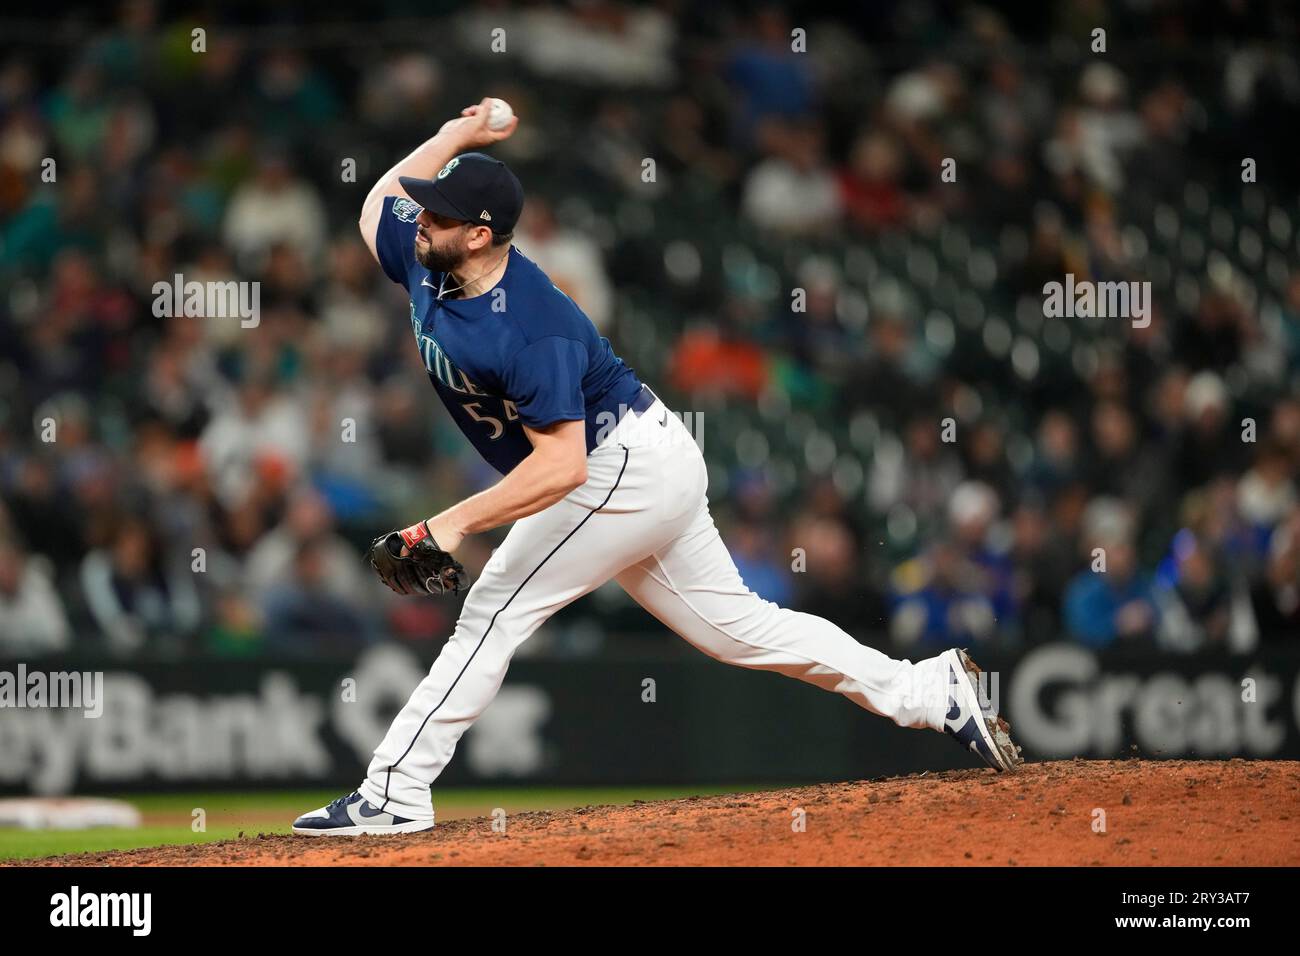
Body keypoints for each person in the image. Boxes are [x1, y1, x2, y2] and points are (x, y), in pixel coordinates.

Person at [292, 98, 1022, 837]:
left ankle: (394, 792)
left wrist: (443, 527)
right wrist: (456, 135)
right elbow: (374, 205)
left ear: (480, 235)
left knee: (497, 610)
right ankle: (930, 692)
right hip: (645, 458)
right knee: (740, 630)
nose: (420, 221)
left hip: (620, 464)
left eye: (439, 216)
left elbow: (562, 469)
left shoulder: (530, 326)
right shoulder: (429, 259)